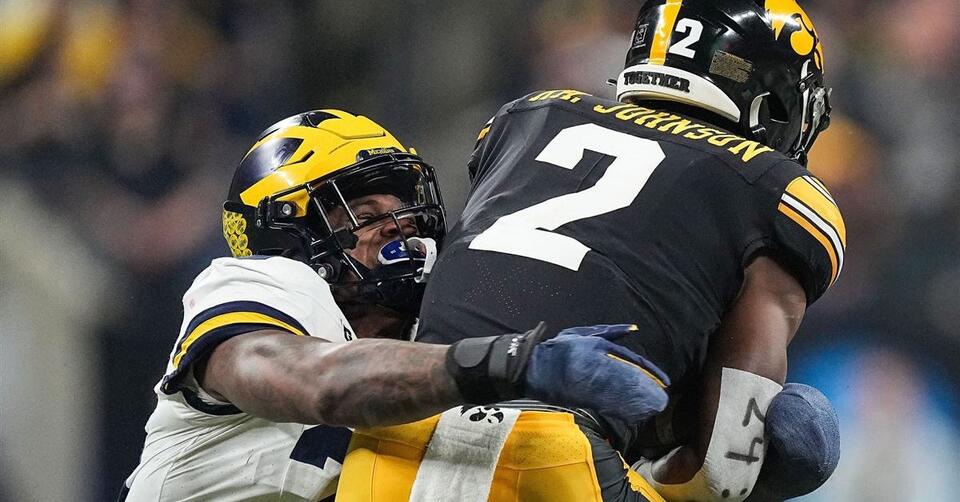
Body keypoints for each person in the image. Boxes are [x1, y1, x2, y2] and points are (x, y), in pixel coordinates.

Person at [338, 1, 841, 501]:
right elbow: (721, 470)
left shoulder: (526, 118)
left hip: (391, 433)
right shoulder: (775, 189)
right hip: (551, 455)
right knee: (798, 438)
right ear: (774, 98)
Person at [120, 109, 672, 501]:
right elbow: (318, 381)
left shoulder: (434, 335)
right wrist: (506, 363)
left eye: (403, 203)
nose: (400, 221)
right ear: (288, 232)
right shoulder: (261, 285)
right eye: (362, 207)